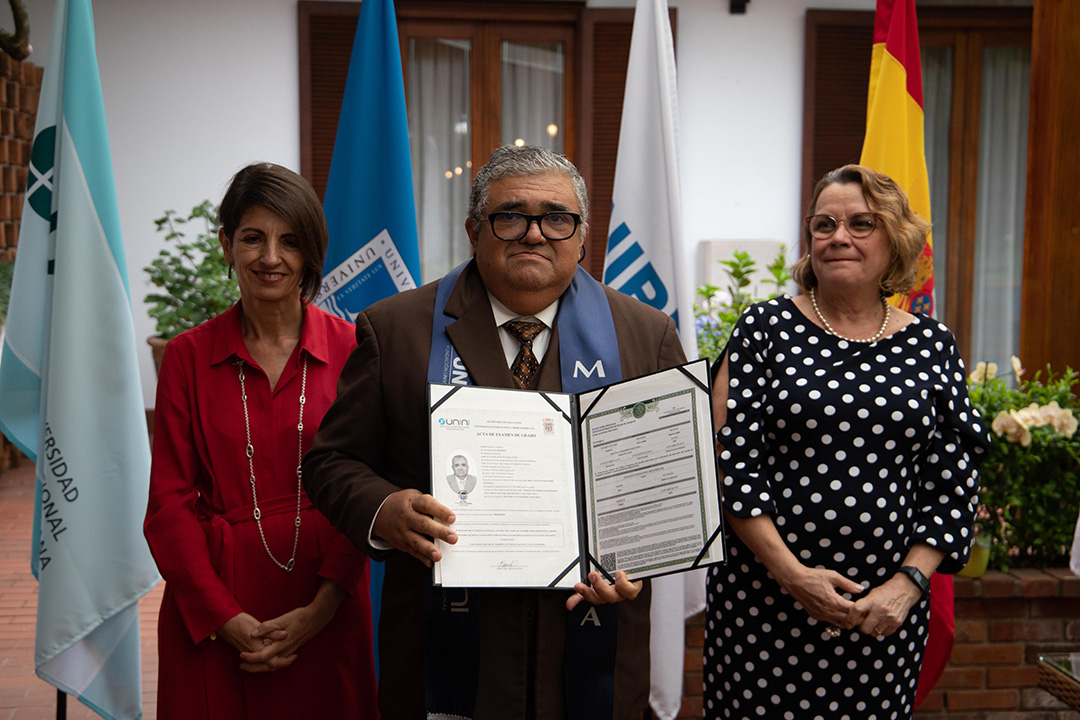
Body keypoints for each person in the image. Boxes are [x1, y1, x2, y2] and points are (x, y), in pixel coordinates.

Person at [303, 144, 686, 720]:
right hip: (445, 655)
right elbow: (331, 463)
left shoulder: (646, 336)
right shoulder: (396, 330)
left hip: (593, 655)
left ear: (583, 237)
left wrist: (643, 555)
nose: (534, 234)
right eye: (509, 216)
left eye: (557, 218)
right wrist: (384, 509)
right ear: (473, 231)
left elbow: (667, 487)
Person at [704, 164, 989, 719]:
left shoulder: (932, 343)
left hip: (884, 617)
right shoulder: (763, 329)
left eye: (862, 224)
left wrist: (909, 583)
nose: (839, 237)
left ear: (895, 239)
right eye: (824, 224)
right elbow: (729, 465)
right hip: (764, 607)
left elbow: (953, 480)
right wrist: (794, 576)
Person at [143, 163, 377, 719]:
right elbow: (168, 507)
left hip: (329, 592)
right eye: (253, 238)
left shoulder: (355, 348)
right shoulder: (186, 358)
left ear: (310, 253)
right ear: (226, 245)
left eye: (289, 241)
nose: (271, 257)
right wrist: (222, 617)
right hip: (214, 604)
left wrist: (320, 609)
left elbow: (372, 487)